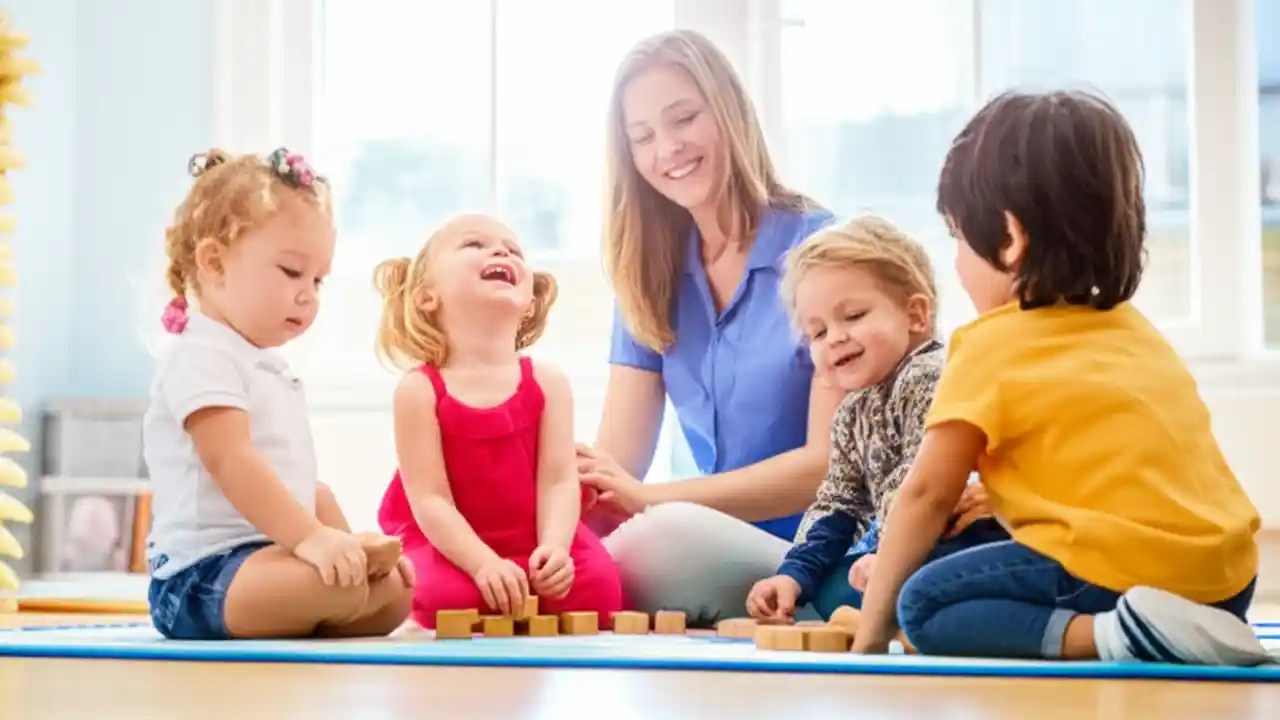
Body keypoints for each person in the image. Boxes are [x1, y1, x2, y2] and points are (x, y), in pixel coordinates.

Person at [852, 90, 1272, 666]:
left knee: (923, 603)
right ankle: (1187, 628)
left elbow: (925, 496)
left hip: (1120, 574)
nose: (955, 260)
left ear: (1008, 238)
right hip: (1227, 581)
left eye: (955, 237)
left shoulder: (987, 344)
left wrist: (870, 637)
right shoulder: (1134, 331)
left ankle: (1117, 637)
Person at [576, 28, 842, 625]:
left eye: (683, 119)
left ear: (727, 112)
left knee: (659, 539)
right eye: (642, 137)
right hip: (714, 544)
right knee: (572, 555)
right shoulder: (649, 274)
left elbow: (822, 466)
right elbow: (620, 460)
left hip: (819, 547)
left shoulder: (822, 252)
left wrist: (650, 500)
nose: (666, 149)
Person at [144, 148, 414, 640]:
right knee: (335, 587)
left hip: (270, 556)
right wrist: (314, 539)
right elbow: (232, 461)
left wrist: (350, 546)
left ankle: (340, 592)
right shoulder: (201, 355)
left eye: (318, 280)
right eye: (292, 272)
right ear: (214, 263)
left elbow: (307, 490)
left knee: (395, 595)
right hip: (199, 577)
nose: (309, 294)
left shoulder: (266, 367)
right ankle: (330, 596)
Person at [745, 216, 1006, 623]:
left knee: (869, 584)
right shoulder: (852, 411)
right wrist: (792, 577)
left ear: (916, 315)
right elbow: (838, 504)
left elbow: (924, 491)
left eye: (853, 316)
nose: (834, 337)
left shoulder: (931, 375)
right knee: (832, 585)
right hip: (898, 547)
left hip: (959, 536)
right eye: (817, 332)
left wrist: (886, 556)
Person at [374, 213, 624, 628]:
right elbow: (430, 499)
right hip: (455, 545)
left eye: (514, 250)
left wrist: (556, 550)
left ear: (528, 305)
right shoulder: (419, 390)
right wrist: (482, 564)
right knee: (440, 597)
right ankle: (492, 581)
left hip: (536, 537)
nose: (501, 251)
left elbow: (559, 481)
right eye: (474, 244)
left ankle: (533, 576)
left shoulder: (549, 382)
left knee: (598, 590)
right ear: (426, 297)